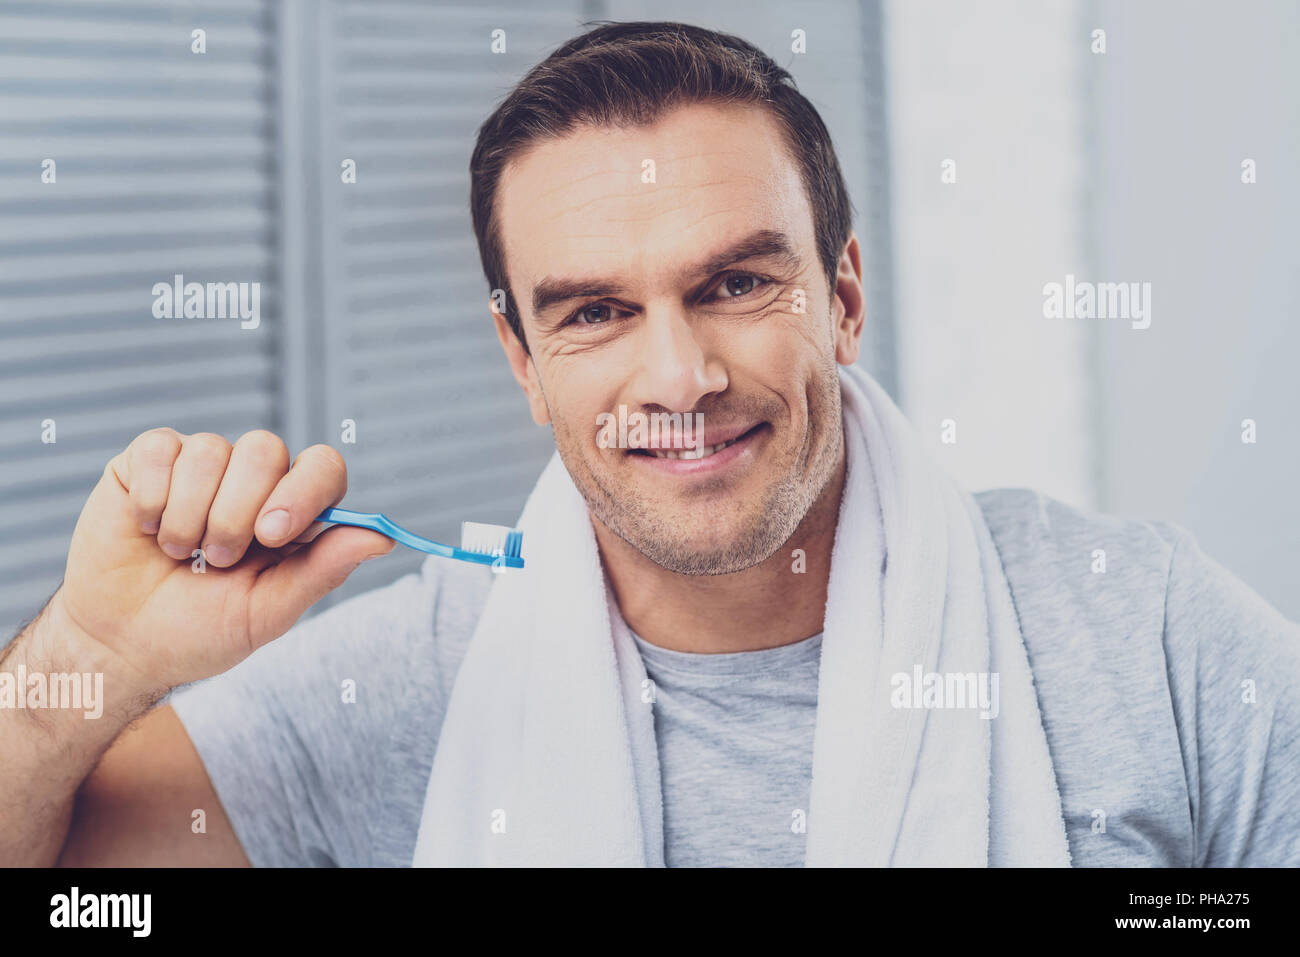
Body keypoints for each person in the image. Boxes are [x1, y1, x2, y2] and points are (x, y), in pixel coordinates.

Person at [2, 21, 1297, 868]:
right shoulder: (414, 679)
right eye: (597, 312)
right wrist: (88, 655)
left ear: (843, 297)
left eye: (735, 285)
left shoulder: (1147, 632)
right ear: (523, 361)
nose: (679, 375)